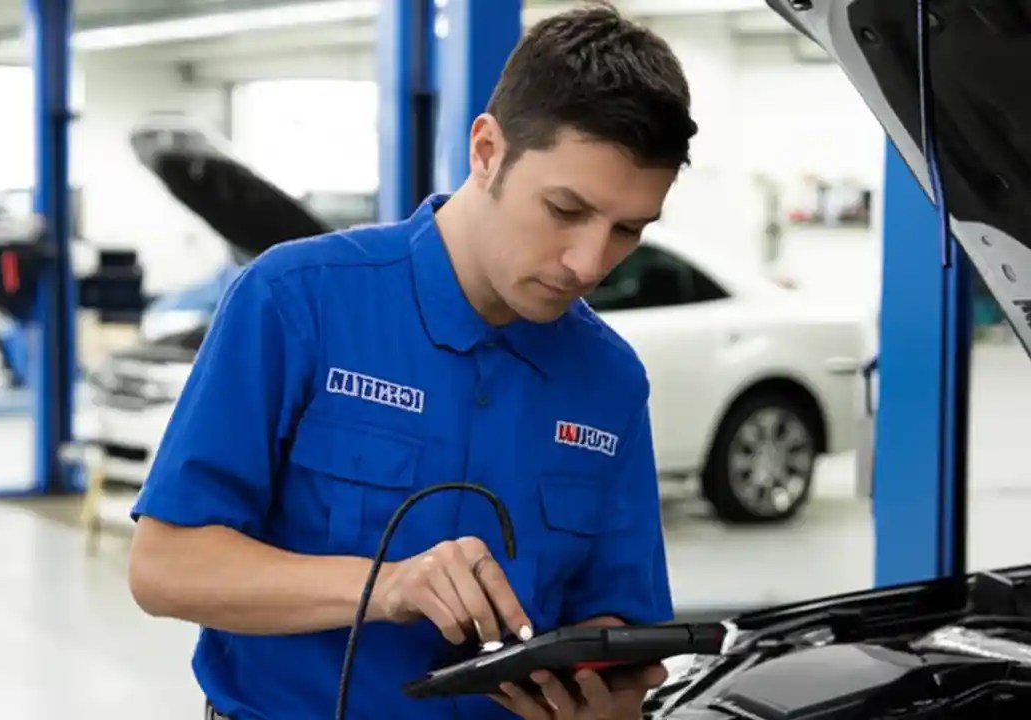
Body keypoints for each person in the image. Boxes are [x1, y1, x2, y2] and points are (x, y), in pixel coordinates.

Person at [127, 3, 698, 719]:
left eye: (627, 231)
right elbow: (164, 568)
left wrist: (608, 698)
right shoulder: (297, 302)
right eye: (564, 210)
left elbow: (620, 622)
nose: (589, 263)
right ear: (486, 151)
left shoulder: (609, 379)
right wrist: (386, 586)